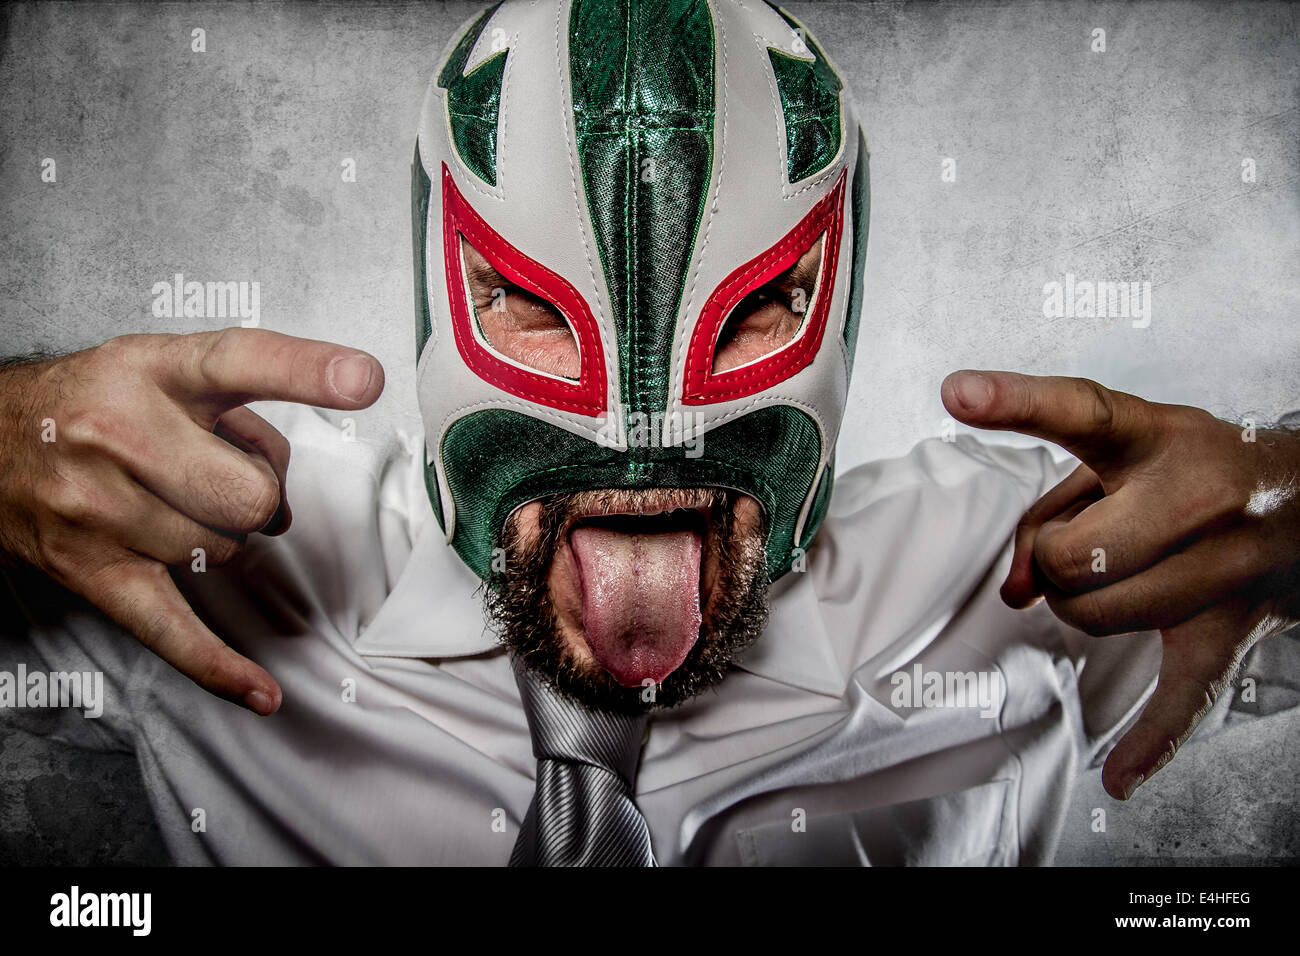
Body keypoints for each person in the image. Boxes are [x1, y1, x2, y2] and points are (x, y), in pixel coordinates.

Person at [1, 0, 1297, 865]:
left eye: (757, 313)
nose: (645, 438)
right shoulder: (214, 559)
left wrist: (1283, 498)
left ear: (838, 302)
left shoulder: (1026, 567)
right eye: (526, 308)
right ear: (436, 285)